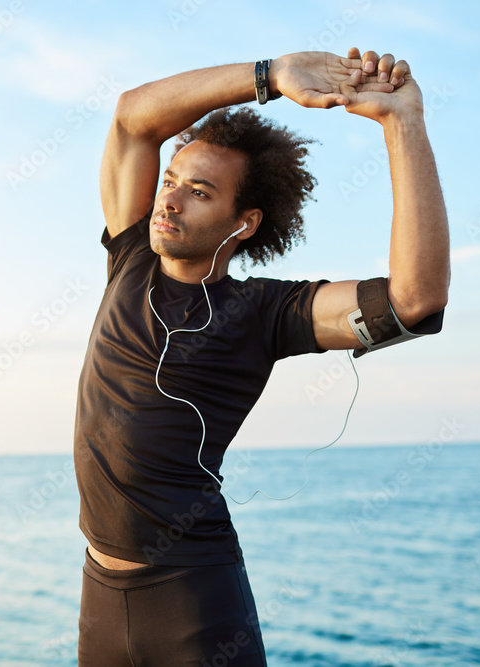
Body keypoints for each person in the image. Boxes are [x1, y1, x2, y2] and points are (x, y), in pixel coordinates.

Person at [72, 47, 449, 666]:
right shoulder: (131, 256)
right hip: (100, 597)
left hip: (194, 601)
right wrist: (269, 76)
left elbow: (414, 299)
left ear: (243, 223)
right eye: (171, 181)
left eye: (198, 192)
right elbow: (132, 116)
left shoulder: (264, 313)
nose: (170, 201)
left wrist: (402, 123)